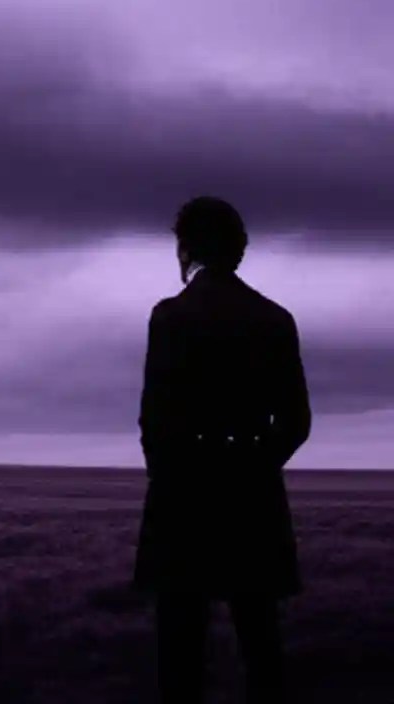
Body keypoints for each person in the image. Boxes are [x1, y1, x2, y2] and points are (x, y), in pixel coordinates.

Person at [134, 196, 312, 704]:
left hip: (183, 496)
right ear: (239, 250)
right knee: (260, 642)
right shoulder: (275, 319)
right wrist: (252, 466)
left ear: (186, 247)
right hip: (252, 496)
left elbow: (153, 417)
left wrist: (174, 476)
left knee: (180, 651)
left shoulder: (171, 316)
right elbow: (297, 422)